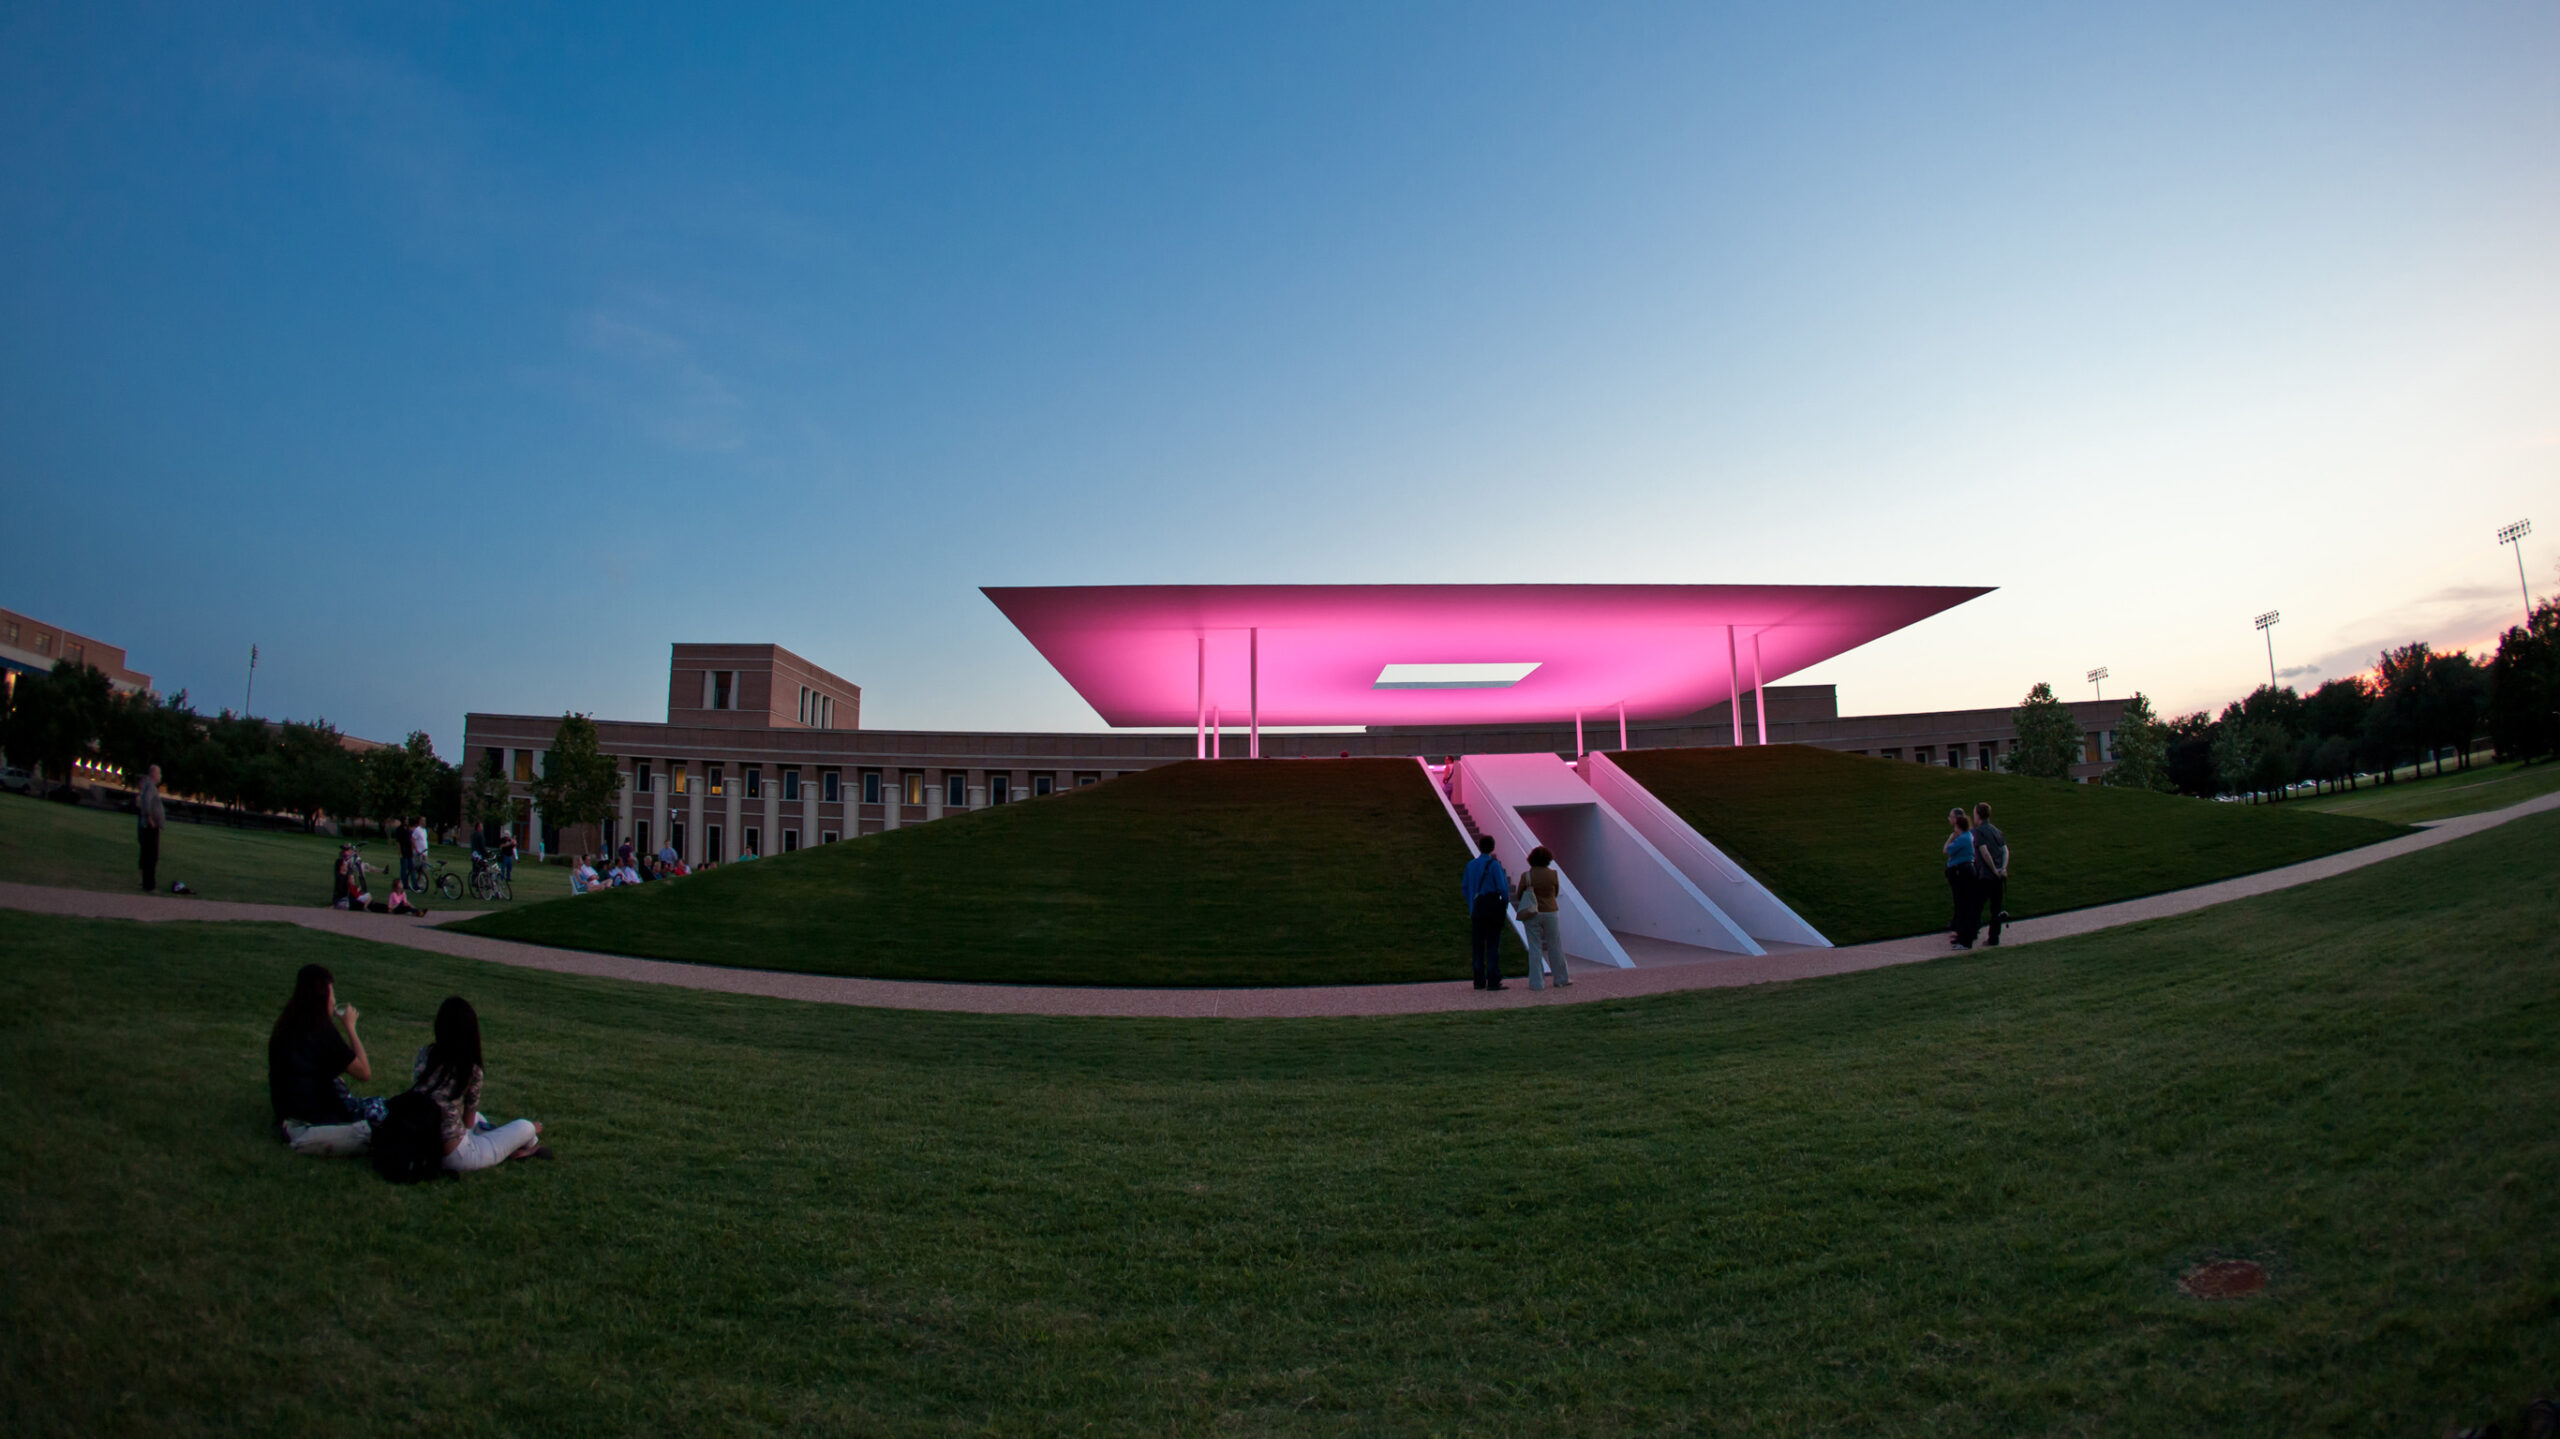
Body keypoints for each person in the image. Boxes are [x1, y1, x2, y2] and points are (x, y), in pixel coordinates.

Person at [411, 996, 547, 1172]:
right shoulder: (470, 1069)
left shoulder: (425, 1054)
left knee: (480, 1118)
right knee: (526, 1126)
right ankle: (529, 1142)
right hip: (456, 1156)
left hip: (422, 1143)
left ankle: (525, 1145)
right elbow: (467, 1123)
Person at [268, 963, 387, 1155]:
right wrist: (350, 1027)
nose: (334, 1001)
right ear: (323, 995)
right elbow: (364, 1072)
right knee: (382, 1111)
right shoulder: (322, 1031)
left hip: (287, 1113)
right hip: (315, 1119)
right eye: (332, 994)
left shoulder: (285, 1024)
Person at [1513, 845, 1570, 990]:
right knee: (1555, 945)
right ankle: (1561, 979)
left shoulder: (1527, 876)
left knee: (1535, 947)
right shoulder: (1553, 875)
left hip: (1532, 913)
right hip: (1551, 911)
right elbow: (1555, 892)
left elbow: (1520, 894)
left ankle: (1537, 983)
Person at [1462, 833, 1511, 991]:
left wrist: (1472, 903)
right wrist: (1504, 903)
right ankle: (1493, 980)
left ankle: (1478, 980)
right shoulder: (1494, 865)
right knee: (1492, 945)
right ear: (1492, 847)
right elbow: (1503, 888)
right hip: (1491, 910)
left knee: (1477, 946)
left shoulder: (1470, 865)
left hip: (1477, 910)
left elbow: (1465, 887)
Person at [1972, 802, 2011, 946]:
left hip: (1985, 876)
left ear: (1978, 814)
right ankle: (1994, 938)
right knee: (1996, 908)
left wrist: (1994, 869)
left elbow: (1984, 852)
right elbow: (2005, 850)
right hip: (1999, 877)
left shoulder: (1978, 832)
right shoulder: (1996, 831)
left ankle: (1971, 933)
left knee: (1976, 905)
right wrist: (2003, 868)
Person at [1944, 809, 1980, 949]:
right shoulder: (1967, 837)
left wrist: (1951, 837)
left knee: (1963, 905)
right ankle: (1962, 936)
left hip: (1962, 872)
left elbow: (1946, 850)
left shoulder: (1963, 838)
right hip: (1965, 871)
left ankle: (1965, 940)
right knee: (1962, 905)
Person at [135, 763, 166, 893]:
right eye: (159, 773)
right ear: (153, 774)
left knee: (151, 855)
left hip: (151, 826)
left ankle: (149, 883)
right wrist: (151, 820)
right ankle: (149, 885)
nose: (160, 776)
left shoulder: (151, 787)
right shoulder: (150, 787)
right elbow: (146, 803)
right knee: (151, 856)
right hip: (150, 827)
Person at [409, 817, 430, 892]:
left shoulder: (424, 830)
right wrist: (416, 849)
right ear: (420, 821)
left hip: (424, 853)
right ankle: (415, 884)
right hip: (419, 853)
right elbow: (412, 839)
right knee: (417, 868)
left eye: (425, 821)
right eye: (423, 821)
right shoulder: (417, 830)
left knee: (424, 869)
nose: (424, 822)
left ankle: (419, 884)